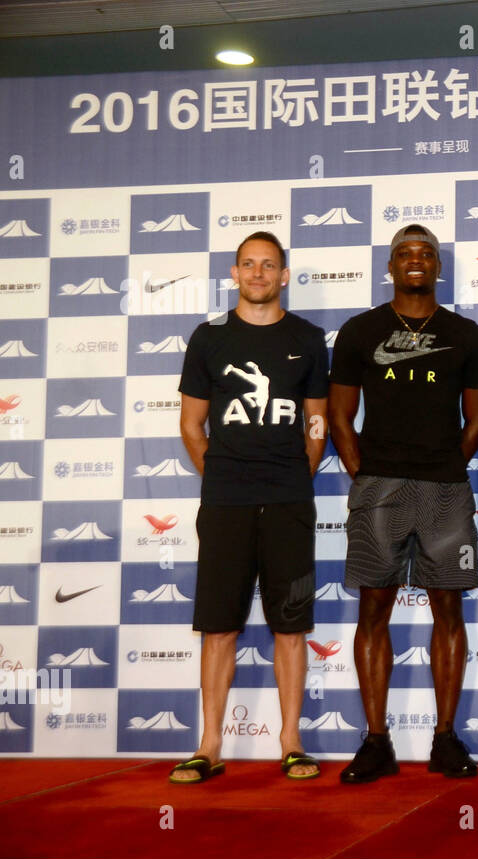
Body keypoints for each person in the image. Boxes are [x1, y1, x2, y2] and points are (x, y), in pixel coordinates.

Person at [329, 225, 478, 781]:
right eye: (405, 253)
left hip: (445, 489)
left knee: (449, 610)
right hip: (380, 489)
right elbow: (340, 418)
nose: (416, 261)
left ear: (438, 267)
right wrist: (365, 475)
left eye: (426, 253)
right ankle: (377, 741)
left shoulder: (466, 335)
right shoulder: (360, 331)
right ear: (391, 266)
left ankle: (445, 739)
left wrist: (450, 465)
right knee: (373, 609)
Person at [172, 231, 328, 783]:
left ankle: (291, 742)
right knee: (219, 627)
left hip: (288, 501)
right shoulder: (208, 339)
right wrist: (226, 474)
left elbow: (316, 424)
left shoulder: (308, 338)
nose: (258, 273)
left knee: (291, 627)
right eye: (248, 264)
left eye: (269, 265)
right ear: (234, 274)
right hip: (226, 503)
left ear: (284, 275)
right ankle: (209, 745)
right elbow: (192, 427)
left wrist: (291, 473)